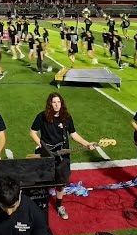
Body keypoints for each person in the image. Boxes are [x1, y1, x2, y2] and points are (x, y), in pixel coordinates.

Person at [30, 92, 98, 220]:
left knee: (61, 181)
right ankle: (39, 203)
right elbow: (33, 132)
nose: (56, 105)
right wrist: (42, 146)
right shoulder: (42, 116)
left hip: (63, 152)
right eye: (54, 102)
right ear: (50, 103)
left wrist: (87, 143)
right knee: (43, 178)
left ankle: (59, 205)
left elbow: (74, 134)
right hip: (47, 152)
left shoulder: (66, 117)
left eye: (59, 102)